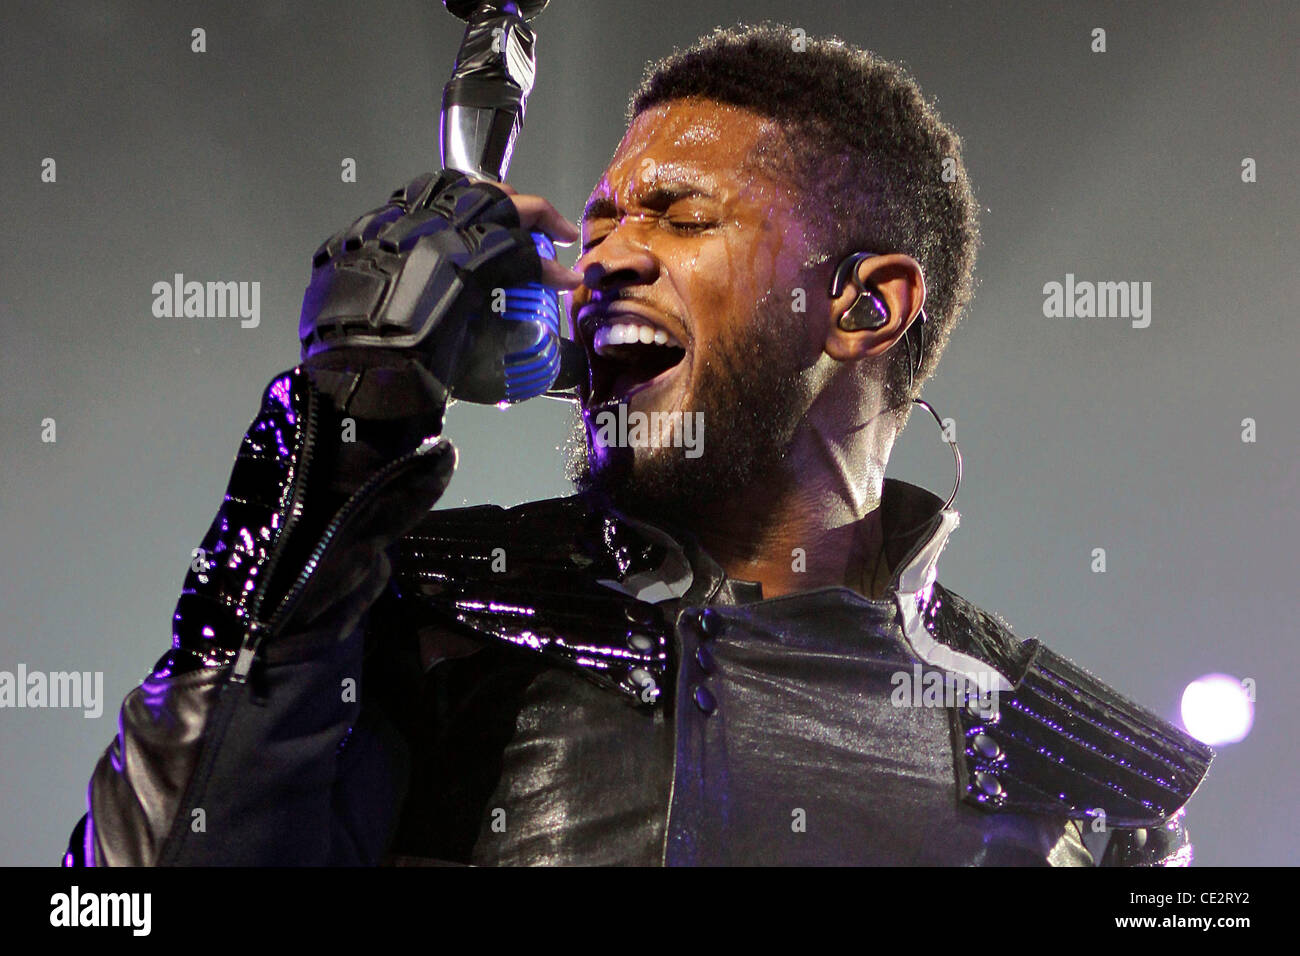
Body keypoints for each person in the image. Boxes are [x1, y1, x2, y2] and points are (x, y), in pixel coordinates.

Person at [64, 24, 1211, 867]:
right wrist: (336, 446)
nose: (598, 257)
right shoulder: (425, 617)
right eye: (601, 220)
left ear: (866, 306)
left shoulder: (1076, 764)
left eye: (677, 213)